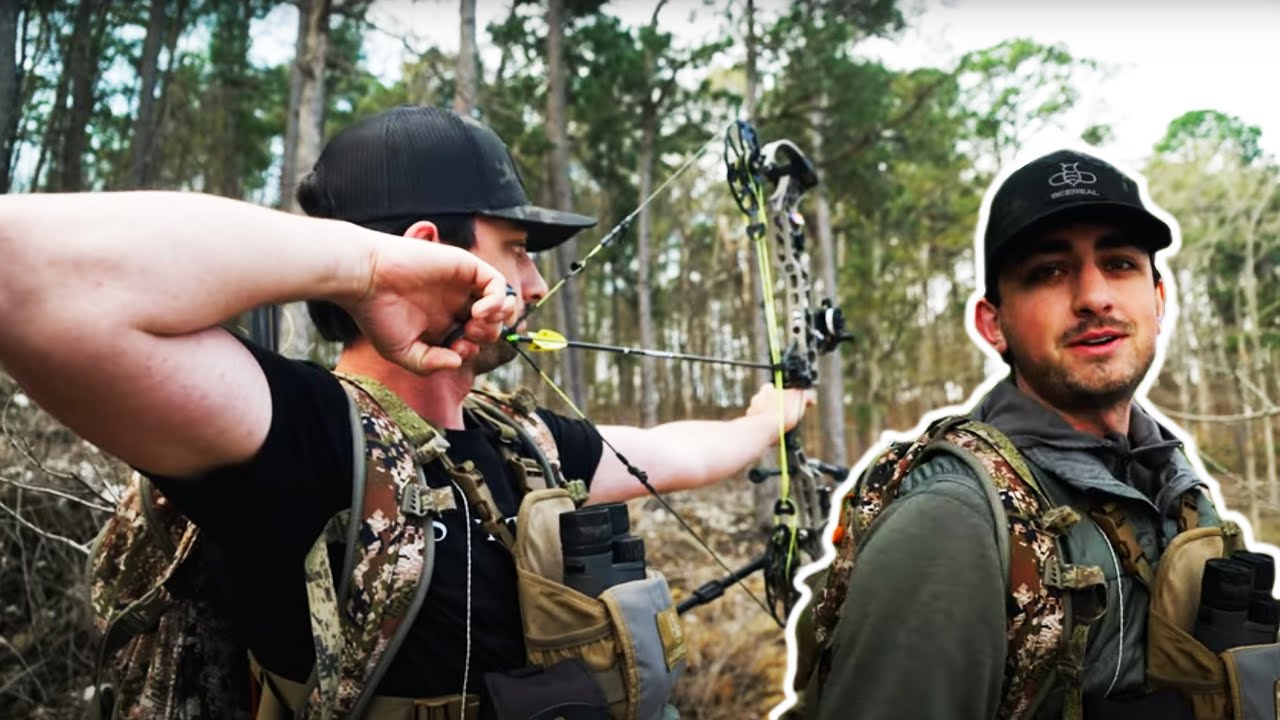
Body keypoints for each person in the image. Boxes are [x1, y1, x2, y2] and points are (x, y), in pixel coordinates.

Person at [0, 106, 810, 715]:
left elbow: (673, 453)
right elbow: (22, 273)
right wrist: (366, 268)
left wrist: (766, 418)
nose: (535, 285)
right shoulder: (302, 439)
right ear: (425, 249)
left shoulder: (517, 438)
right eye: (516, 249)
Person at [789, 149, 1276, 720]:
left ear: (1159, 298)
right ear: (993, 324)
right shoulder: (952, 520)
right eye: (1048, 271)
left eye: (1119, 263)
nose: (1094, 297)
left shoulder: (1172, 481)